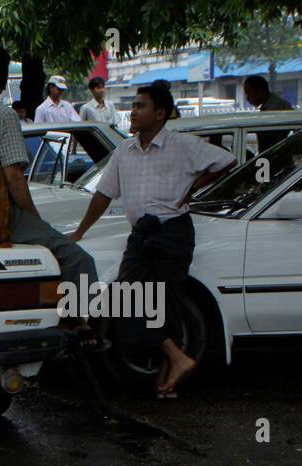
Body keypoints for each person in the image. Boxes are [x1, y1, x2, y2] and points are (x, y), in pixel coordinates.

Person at [67, 82, 234, 397]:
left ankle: (167, 373)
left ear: (160, 113)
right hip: (140, 235)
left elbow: (226, 161)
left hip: (172, 232)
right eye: (133, 106)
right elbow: (103, 194)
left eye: (141, 106)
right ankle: (177, 357)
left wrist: (193, 186)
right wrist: (81, 231)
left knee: (165, 303)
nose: (133, 112)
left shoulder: (181, 145)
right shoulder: (124, 151)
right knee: (128, 300)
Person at [0, 45, 99, 343]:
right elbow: (14, 178)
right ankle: (80, 326)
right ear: (3, 83)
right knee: (78, 259)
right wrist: (36, 220)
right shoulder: (2, 115)